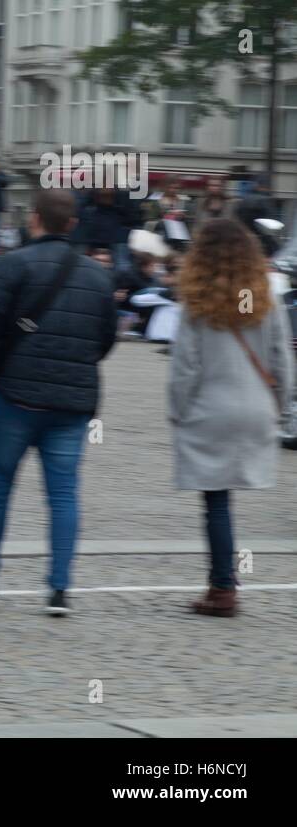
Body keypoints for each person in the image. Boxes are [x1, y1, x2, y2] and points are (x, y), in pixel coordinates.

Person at [0, 187, 117, 615]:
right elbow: (105, 340)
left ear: (34, 219)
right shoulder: (98, 275)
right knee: (64, 495)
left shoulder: (13, 265)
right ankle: (58, 590)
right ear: (72, 225)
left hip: (15, 397)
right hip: (72, 404)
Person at [170, 218, 293, 617]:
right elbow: (281, 360)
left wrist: (178, 412)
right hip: (256, 407)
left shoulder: (197, 304)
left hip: (211, 409)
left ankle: (223, 587)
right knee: (224, 500)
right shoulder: (263, 300)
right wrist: (281, 405)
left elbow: (185, 368)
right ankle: (222, 582)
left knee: (216, 501)